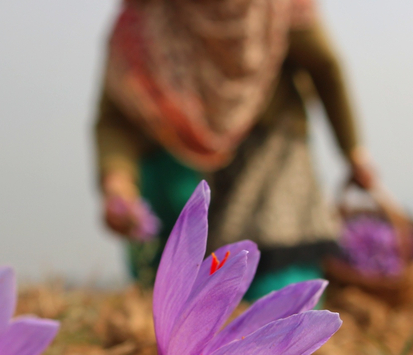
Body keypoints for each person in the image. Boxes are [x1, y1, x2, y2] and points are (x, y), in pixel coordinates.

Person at [96, 0, 377, 300]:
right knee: (175, 284)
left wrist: (354, 153)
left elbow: (324, 68)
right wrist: (118, 185)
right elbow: (117, 117)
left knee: (273, 287)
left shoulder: (274, 7)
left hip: (266, 152)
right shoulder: (142, 22)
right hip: (176, 160)